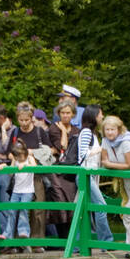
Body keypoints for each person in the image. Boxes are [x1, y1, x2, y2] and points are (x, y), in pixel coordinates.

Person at [100, 115, 130, 247]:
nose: (109, 132)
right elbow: (104, 161)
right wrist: (108, 163)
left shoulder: (126, 142)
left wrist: (109, 164)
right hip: (126, 182)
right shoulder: (105, 141)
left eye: (112, 129)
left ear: (119, 130)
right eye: (107, 129)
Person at [13, 102, 50, 246]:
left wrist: (33, 152)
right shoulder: (16, 132)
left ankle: (38, 242)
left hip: (36, 174)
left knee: (38, 207)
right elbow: (10, 152)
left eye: (26, 120)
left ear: (31, 118)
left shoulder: (40, 132)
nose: (24, 123)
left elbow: (52, 150)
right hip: (19, 175)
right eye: (21, 120)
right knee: (18, 208)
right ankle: (19, 242)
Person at [77, 106, 113, 245]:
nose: (102, 117)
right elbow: (83, 155)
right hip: (85, 175)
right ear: (94, 116)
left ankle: (77, 245)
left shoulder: (93, 134)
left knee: (82, 210)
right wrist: (100, 149)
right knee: (100, 206)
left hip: (89, 176)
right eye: (100, 114)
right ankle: (106, 242)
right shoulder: (86, 132)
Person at [48, 98, 81, 236]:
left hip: (71, 171)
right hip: (57, 170)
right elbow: (62, 146)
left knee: (72, 200)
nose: (65, 115)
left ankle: (71, 237)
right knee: (59, 200)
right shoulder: (54, 128)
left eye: (68, 113)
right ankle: (61, 237)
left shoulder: (76, 130)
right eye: (63, 113)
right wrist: (62, 131)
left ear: (73, 114)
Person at [0, 138, 35, 242]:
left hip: (27, 190)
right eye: (16, 156)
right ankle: (7, 233)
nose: (19, 158)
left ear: (25, 153)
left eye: (20, 156)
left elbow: (34, 166)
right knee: (11, 211)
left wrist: (24, 165)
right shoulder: (15, 160)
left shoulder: (30, 158)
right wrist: (5, 167)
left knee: (24, 209)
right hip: (16, 190)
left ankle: (24, 231)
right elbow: (11, 173)